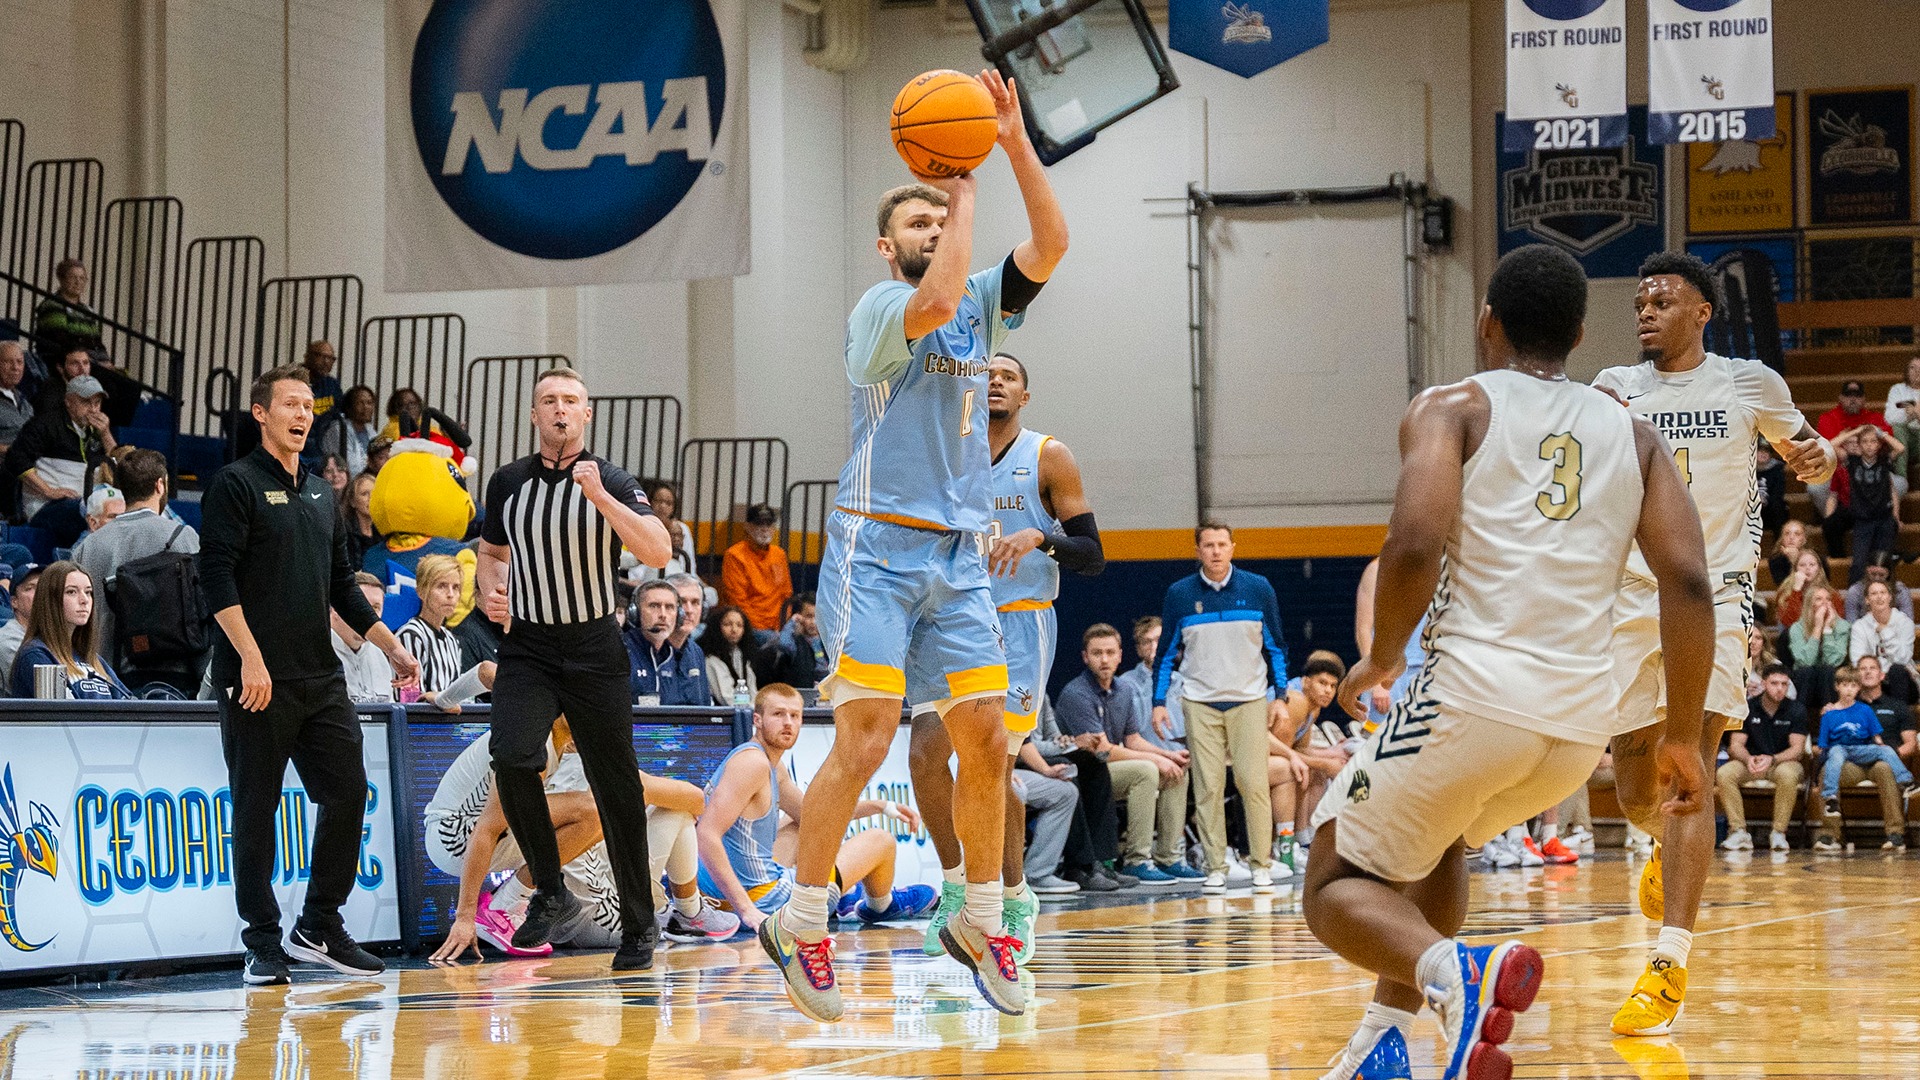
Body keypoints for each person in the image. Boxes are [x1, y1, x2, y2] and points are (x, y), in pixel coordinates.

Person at [1308, 244, 1715, 1080]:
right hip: (1576, 731)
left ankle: (1455, 972)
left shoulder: (1452, 407)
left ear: (1486, 322)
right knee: (1438, 843)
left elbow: (1413, 543)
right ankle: (1383, 1041)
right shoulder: (1634, 435)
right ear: (1577, 335)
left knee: (1331, 881)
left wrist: (1380, 658)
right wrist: (1680, 733)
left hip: (1472, 698)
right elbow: (1688, 584)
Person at [761, 68, 1066, 1024]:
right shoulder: (879, 308)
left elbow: (1052, 243)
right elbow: (934, 302)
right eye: (917, 220)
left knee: (988, 740)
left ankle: (983, 918)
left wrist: (1010, 142)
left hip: (959, 556)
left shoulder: (985, 301)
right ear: (886, 244)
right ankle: (801, 921)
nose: (934, 227)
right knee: (866, 737)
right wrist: (963, 192)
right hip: (877, 548)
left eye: (940, 216)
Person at [1591, 250, 1834, 1040]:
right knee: (1636, 791)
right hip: (1630, 596)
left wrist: (1818, 456)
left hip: (1715, 595)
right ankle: (1662, 849)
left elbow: (1813, 453)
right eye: (1640, 302)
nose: (1646, 312)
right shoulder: (1613, 387)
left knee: (1691, 766)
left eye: (1662, 301)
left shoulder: (1749, 383)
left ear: (1701, 312)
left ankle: (1668, 966)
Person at [199, 364, 421, 985]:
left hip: (320, 679)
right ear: (260, 413)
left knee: (348, 792)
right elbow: (215, 578)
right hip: (254, 679)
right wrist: (249, 658)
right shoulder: (235, 484)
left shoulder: (323, 494)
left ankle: (319, 923)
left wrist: (389, 646)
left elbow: (341, 586)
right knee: (256, 810)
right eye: (289, 405)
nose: (301, 415)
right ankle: (262, 942)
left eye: (306, 406)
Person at [908, 351, 1106, 961]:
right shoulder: (948, 450)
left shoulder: (1049, 456)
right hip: (951, 619)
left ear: (1024, 395)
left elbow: (1093, 554)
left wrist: (1042, 536)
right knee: (924, 755)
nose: (995, 381)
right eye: (987, 373)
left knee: (991, 766)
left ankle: (1014, 895)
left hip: (1019, 623)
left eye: (1008, 376)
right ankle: (955, 886)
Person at [475, 367, 674, 971]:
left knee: (617, 787)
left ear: (586, 415)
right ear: (534, 415)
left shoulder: (612, 479)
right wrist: (491, 590)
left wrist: (602, 499)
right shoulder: (507, 481)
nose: (559, 410)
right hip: (529, 647)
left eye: (570, 401)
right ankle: (550, 889)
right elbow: (491, 551)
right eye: (549, 401)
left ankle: (639, 925)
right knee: (512, 758)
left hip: (593, 648)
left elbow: (658, 550)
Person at [428, 719, 737, 960]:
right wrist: (464, 916)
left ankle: (512, 901)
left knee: (629, 812)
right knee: (646, 812)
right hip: (594, 913)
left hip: (554, 899)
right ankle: (687, 911)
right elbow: (695, 799)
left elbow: (488, 671)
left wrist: (445, 698)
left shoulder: (551, 737)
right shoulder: (548, 748)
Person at [699, 684, 935, 930]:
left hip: (724, 899)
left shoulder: (761, 761)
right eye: (778, 714)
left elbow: (814, 813)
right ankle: (879, 905)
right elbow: (706, 834)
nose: (787, 723)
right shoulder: (753, 764)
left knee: (798, 822)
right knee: (880, 840)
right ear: (757, 720)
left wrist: (879, 806)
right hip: (764, 902)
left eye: (794, 716)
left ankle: (846, 893)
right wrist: (747, 911)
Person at [1150, 521, 1290, 895]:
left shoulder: (1258, 588)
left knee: (1253, 783)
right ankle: (1216, 867)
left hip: (1250, 699)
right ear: (1198, 551)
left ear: (1232, 548)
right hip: (1199, 702)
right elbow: (1165, 653)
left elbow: (1276, 647)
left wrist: (1280, 697)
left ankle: (1261, 864)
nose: (1215, 551)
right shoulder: (1179, 594)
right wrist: (1158, 702)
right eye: (1208, 545)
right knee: (1208, 786)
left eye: (1221, 544)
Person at [1054, 624, 1186, 890]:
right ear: (1085, 657)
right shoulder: (1077, 693)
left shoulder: (1124, 689)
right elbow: (1102, 749)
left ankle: (1169, 856)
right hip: (1085, 773)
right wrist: (1156, 761)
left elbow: (1133, 739)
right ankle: (1138, 859)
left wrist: (1168, 755)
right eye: (1097, 653)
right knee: (1145, 771)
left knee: (1177, 768)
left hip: (1109, 769)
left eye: (1110, 652)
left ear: (1120, 656)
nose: (1104, 659)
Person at [72, 448, 198, 673]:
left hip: (102, 675)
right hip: (173, 676)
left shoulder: (87, 547)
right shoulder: (183, 537)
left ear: (121, 488)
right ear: (160, 485)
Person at [1114, 615, 1202, 879]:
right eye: (1147, 642)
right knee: (1167, 769)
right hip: (1140, 756)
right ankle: (1140, 858)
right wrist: (1161, 757)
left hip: (1179, 755)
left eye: (1160, 641)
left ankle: (1171, 856)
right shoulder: (1126, 684)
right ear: (1138, 648)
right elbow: (1128, 738)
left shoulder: (1185, 682)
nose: (1154, 647)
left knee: (1183, 769)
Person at [1812, 665, 1915, 851]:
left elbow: (1882, 739)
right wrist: (1826, 754)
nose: (1849, 689)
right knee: (1828, 769)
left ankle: (1895, 834)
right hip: (1847, 762)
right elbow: (1821, 745)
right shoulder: (1830, 712)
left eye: (1853, 685)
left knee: (1885, 767)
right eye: (1845, 685)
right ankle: (1830, 833)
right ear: (1837, 686)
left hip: (1873, 758)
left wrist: (1884, 750)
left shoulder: (1888, 707)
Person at [6, 373, 115, 546]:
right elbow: (15, 458)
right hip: (46, 506)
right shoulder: (45, 424)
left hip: (86, 503)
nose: (93, 409)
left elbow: (119, 464)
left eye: (97, 403)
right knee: (92, 510)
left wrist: (106, 434)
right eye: (86, 402)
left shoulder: (99, 431)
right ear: (68, 401)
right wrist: (48, 491)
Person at [1717, 664, 1808, 852]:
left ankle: (1779, 832)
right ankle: (1738, 831)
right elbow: (1735, 745)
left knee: (1788, 775)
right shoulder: (1748, 707)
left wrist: (1772, 759)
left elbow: (1797, 749)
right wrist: (1748, 759)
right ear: (1764, 683)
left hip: (1782, 762)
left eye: (1784, 684)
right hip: (1752, 762)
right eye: (1774, 683)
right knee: (1725, 773)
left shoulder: (1796, 709)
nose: (1779, 688)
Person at [8, 561, 130, 699]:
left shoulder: (93, 659)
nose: (84, 600)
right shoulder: (35, 655)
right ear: (50, 600)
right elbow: (64, 710)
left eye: (88, 592)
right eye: (71, 592)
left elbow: (129, 704)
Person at [1355, 557, 1430, 733]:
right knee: (1378, 740)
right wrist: (1376, 681)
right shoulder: (1377, 569)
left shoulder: (1432, 568)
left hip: (1423, 673)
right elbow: (1363, 630)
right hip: (1388, 674)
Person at [1822, 424, 1903, 580]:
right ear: (1859, 445)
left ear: (1879, 444)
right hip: (1862, 520)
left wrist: (1881, 434)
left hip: (1884, 518)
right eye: (1864, 441)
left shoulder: (1884, 460)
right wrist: (1856, 431)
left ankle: (1886, 591)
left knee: (1883, 562)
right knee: (1859, 563)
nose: (1869, 445)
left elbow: (1900, 448)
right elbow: (1830, 445)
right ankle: (1855, 591)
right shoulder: (1852, 462)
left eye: (1873, 441)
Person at [623, 579, 710, 706]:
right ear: (635, 612)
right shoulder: (620, 649)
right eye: (654, 606)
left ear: (678, 615)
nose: (663, 615)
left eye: (669, 607)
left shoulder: (670, 653)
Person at [396, 554, 473, 697]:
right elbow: (408, 698)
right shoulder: (411, 635)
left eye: (456, 587)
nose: (450, 594)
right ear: (421, 591)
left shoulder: (452, 640)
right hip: (423, 712)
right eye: (441, 586)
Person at [720, 503, 791, 634]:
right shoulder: (735, 555)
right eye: (759, 524)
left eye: (769, 524)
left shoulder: (779, 555)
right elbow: (738, 601)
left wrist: (782, 625)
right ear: (747, 527)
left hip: (778, 626)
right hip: (749, 626)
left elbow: (786, 594)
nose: (764, 529)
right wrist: (761, 628)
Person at [331, 572, 395, 704]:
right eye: (362, 607)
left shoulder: (379, 653)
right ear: (336, 609)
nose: (368, 616)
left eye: (375, 608)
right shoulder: (314, 652)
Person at [624, 479, 701, 587]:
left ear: (674, 507)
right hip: (643, 579)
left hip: (679, 577)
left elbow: (689, 561)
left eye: (668, 503)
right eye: (659, 501)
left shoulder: (682, 528)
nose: (663, 506)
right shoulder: (640, 524)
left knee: (710, 593)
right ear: (650, 502)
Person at [1786, 584, 1849, 709]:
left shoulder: (1843, 626)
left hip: (1830, 680)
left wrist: (1827, 629)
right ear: (1810, 604)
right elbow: (1806, 661)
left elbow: (1833, 661)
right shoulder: (1797, 628)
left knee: (1827, 671)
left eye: (1828, 599)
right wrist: (1817, 628)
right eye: (1819, 599)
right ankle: (1800, 717)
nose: (1825, 603)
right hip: (1805, 680)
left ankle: (1830, 715)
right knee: (1807, 672)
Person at [31, 259, 103, 365]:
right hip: (60, 362)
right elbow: (61, 340)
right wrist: (94, 360)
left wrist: (105, 360)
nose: (78, 282)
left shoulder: (87, 310)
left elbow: (97, 342)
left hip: (87, 362)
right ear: (62, 279)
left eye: (82, 278)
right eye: (73, 277)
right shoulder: (52, 305)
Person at [759, 593, 828, 689]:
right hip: (803, 691)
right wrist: (792, 621)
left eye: (818, 617)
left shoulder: (826, 640)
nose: (813, 622)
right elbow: (783, 644)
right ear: (800, 616)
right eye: (809, 616)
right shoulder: (795, 642)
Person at [700, 605, 760, 706]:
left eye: (739, 625)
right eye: (727, 624)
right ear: (717, 627)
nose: (734, 630)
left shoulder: (742, 655)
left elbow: (753, 691)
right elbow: (726, 698)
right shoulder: (711, 660)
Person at [0, 563, 40, 685]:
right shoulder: (9, 642)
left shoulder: (57, 635)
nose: (40, 593)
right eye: (30, 588)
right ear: (14, 602)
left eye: (44, 586)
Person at [1773, 549, 1829, 631]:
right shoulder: (1784, 592)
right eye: (1802, 565)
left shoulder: (1829, 593)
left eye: (1812, 565)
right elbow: (1789, 622)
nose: (1807, 568)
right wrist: (1796, 589)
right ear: (1795, 569)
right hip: (1794, 634)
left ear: (1819, 569)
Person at [1843, 556, 1913, 621]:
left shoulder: (1900, 590)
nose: (1877, 578)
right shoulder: (1855, 591)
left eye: (1881, 575)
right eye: (1873, 574)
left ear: (1889, 574)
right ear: (1867, 571)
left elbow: (1907, 620)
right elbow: (1851, 622)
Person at [1885, 355, 1920, 480]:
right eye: (1913, 368)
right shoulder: (1897, 389)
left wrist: (1917, 413)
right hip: (1906, 438)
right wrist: (1909, 415)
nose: (1917, 372)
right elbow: (1889, 418)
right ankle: (1901, 480)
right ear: (1907, 371)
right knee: (1898, 429)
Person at [0, 341, 34, 457]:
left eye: (19, 362)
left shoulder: (24, 401)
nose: (15, 368)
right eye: (8, 362)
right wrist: (12, 450)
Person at [342, 471, 380, 570]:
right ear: (353, 501)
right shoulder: (344, 533)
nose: (370, 498)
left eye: (374, 492)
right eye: (364, 494)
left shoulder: (384, 531)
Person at [303, 341, 342, 423]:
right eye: (320, 356)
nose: (326, 362)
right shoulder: (292, 381)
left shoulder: (332, 385)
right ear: (307, 357)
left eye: (330, 358)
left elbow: (339, 414)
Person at [1766, 518, 1810, 585]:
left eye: (1797, 534)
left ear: (1804, 539)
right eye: (1787, 534)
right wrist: (1793, 562)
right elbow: (1783, 585)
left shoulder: (1816, 559)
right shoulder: (1775, 560)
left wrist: (1796, 560)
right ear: (1782, 539)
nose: (1791, 537)